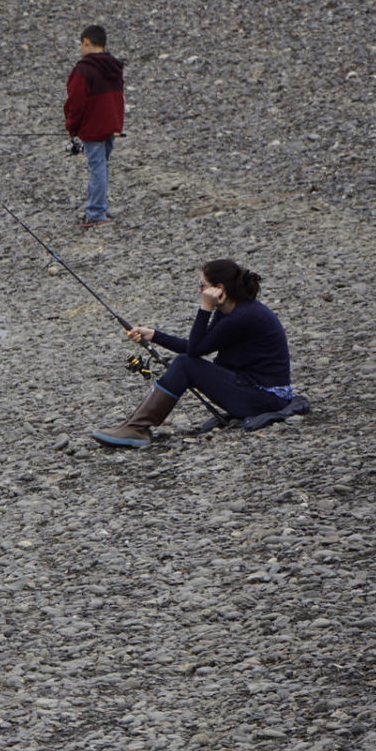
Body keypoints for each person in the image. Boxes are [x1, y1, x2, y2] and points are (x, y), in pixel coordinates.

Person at [91, 260, 306, 447]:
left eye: (202, 286)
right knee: (186, 362)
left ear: (219, 288)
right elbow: (198, 347)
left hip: (266, 399)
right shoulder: (234, 310)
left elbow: (194, 351)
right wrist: (153, 335)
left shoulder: (242, 316)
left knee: (185, 364)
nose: (199, 290)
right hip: (258, 393)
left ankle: (137, 428)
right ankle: (134, 426)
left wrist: (205, 308)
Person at [65, 25, 124, 227]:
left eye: (82, 44)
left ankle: (96, 213)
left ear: (87, 43)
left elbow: (76, 103)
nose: (81, 48)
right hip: (111, 125)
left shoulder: (83, 70)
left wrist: (72, 127)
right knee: (102, 166)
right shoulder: (114, 66)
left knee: (97, 167)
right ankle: (100, 208)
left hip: (93, 127)